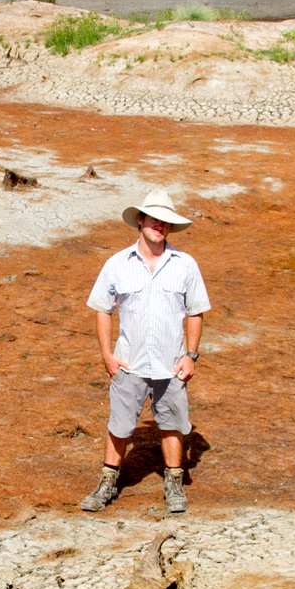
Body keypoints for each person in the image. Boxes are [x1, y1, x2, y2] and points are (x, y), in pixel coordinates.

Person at [81, 189, 211, 514]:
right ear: (140, 221)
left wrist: (190, 355)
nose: (160, 226)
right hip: (130, 363)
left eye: (166, 221)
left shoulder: (185, 265)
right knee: (120, 425)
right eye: (154, 219)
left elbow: (196, 311)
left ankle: (174, 483)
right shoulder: (117, 264)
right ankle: (107, 482)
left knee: (173, 423)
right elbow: (102, 309)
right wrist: (107, 355)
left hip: (171, 364)